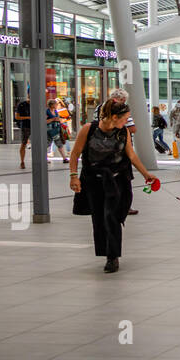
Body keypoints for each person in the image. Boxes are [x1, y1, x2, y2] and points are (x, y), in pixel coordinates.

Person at [68, 94, 154, 273]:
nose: (126, 122)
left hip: (117, 181)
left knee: (112, 217)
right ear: (114, 117)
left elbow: (131, 155)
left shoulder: (123, 132)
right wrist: (74, 176)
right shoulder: (88, 129)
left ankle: (112, 257)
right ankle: (106, 252)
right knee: (99, 218)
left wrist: (146, 174)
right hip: (94, 181)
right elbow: (75, 154)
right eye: (124, 118)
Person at [46, 98, 69, 164]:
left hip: (56, 130)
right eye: (55, 104)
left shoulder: (55, 111)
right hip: (49, 130)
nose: (57, 105)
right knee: (47, 145)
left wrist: (60, 120)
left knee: (60, 144)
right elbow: (44, 121)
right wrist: (53, 119)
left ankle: (64, 158)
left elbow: (59, 119)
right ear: (52, 105)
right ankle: (46, 158)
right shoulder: (47, 111)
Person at [15, 93, 31, 169]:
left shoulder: (37, 104)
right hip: (25, 126)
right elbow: (17, 117)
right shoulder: (22, 105)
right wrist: (28, 117)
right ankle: (22, 161)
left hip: (36, 126)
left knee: (38, 144)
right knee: (23, 144)